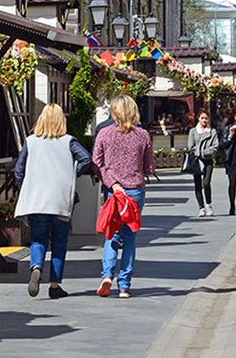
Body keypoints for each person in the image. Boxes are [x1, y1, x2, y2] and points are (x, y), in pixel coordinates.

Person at [14, 104, 93, 299]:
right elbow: (86, 159)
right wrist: (71, 175)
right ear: (61, 121)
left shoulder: (30, 141)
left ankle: (36, 266)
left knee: (38, 239)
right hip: (60, 200)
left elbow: (19, 170)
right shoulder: (69, 142)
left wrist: (25, 187)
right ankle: (55, 285)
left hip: (36, 200)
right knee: (59, 242)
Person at [92, 95, 156, 299]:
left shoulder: (104, 134)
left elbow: (96, 163)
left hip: (114, 192)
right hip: (135, 191)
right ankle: (124, 285)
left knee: (112, 234)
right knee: (130, 238)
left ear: (115, 113)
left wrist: (113, 183)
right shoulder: (143, 135)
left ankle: (107, 275)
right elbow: (150, 166)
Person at [187, 110, 221, 217]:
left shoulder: (212, 132)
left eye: (206, 118)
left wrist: (204, 152)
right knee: (197, 184)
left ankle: (208, 205)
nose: (204, 120)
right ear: (198, 119)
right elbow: (190, 146)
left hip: (207, 160)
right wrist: (198, 153)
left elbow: (215, 146)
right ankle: (201, 207)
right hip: (197, 160)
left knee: (206, 182)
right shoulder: (193, 131)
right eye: (202, 118)